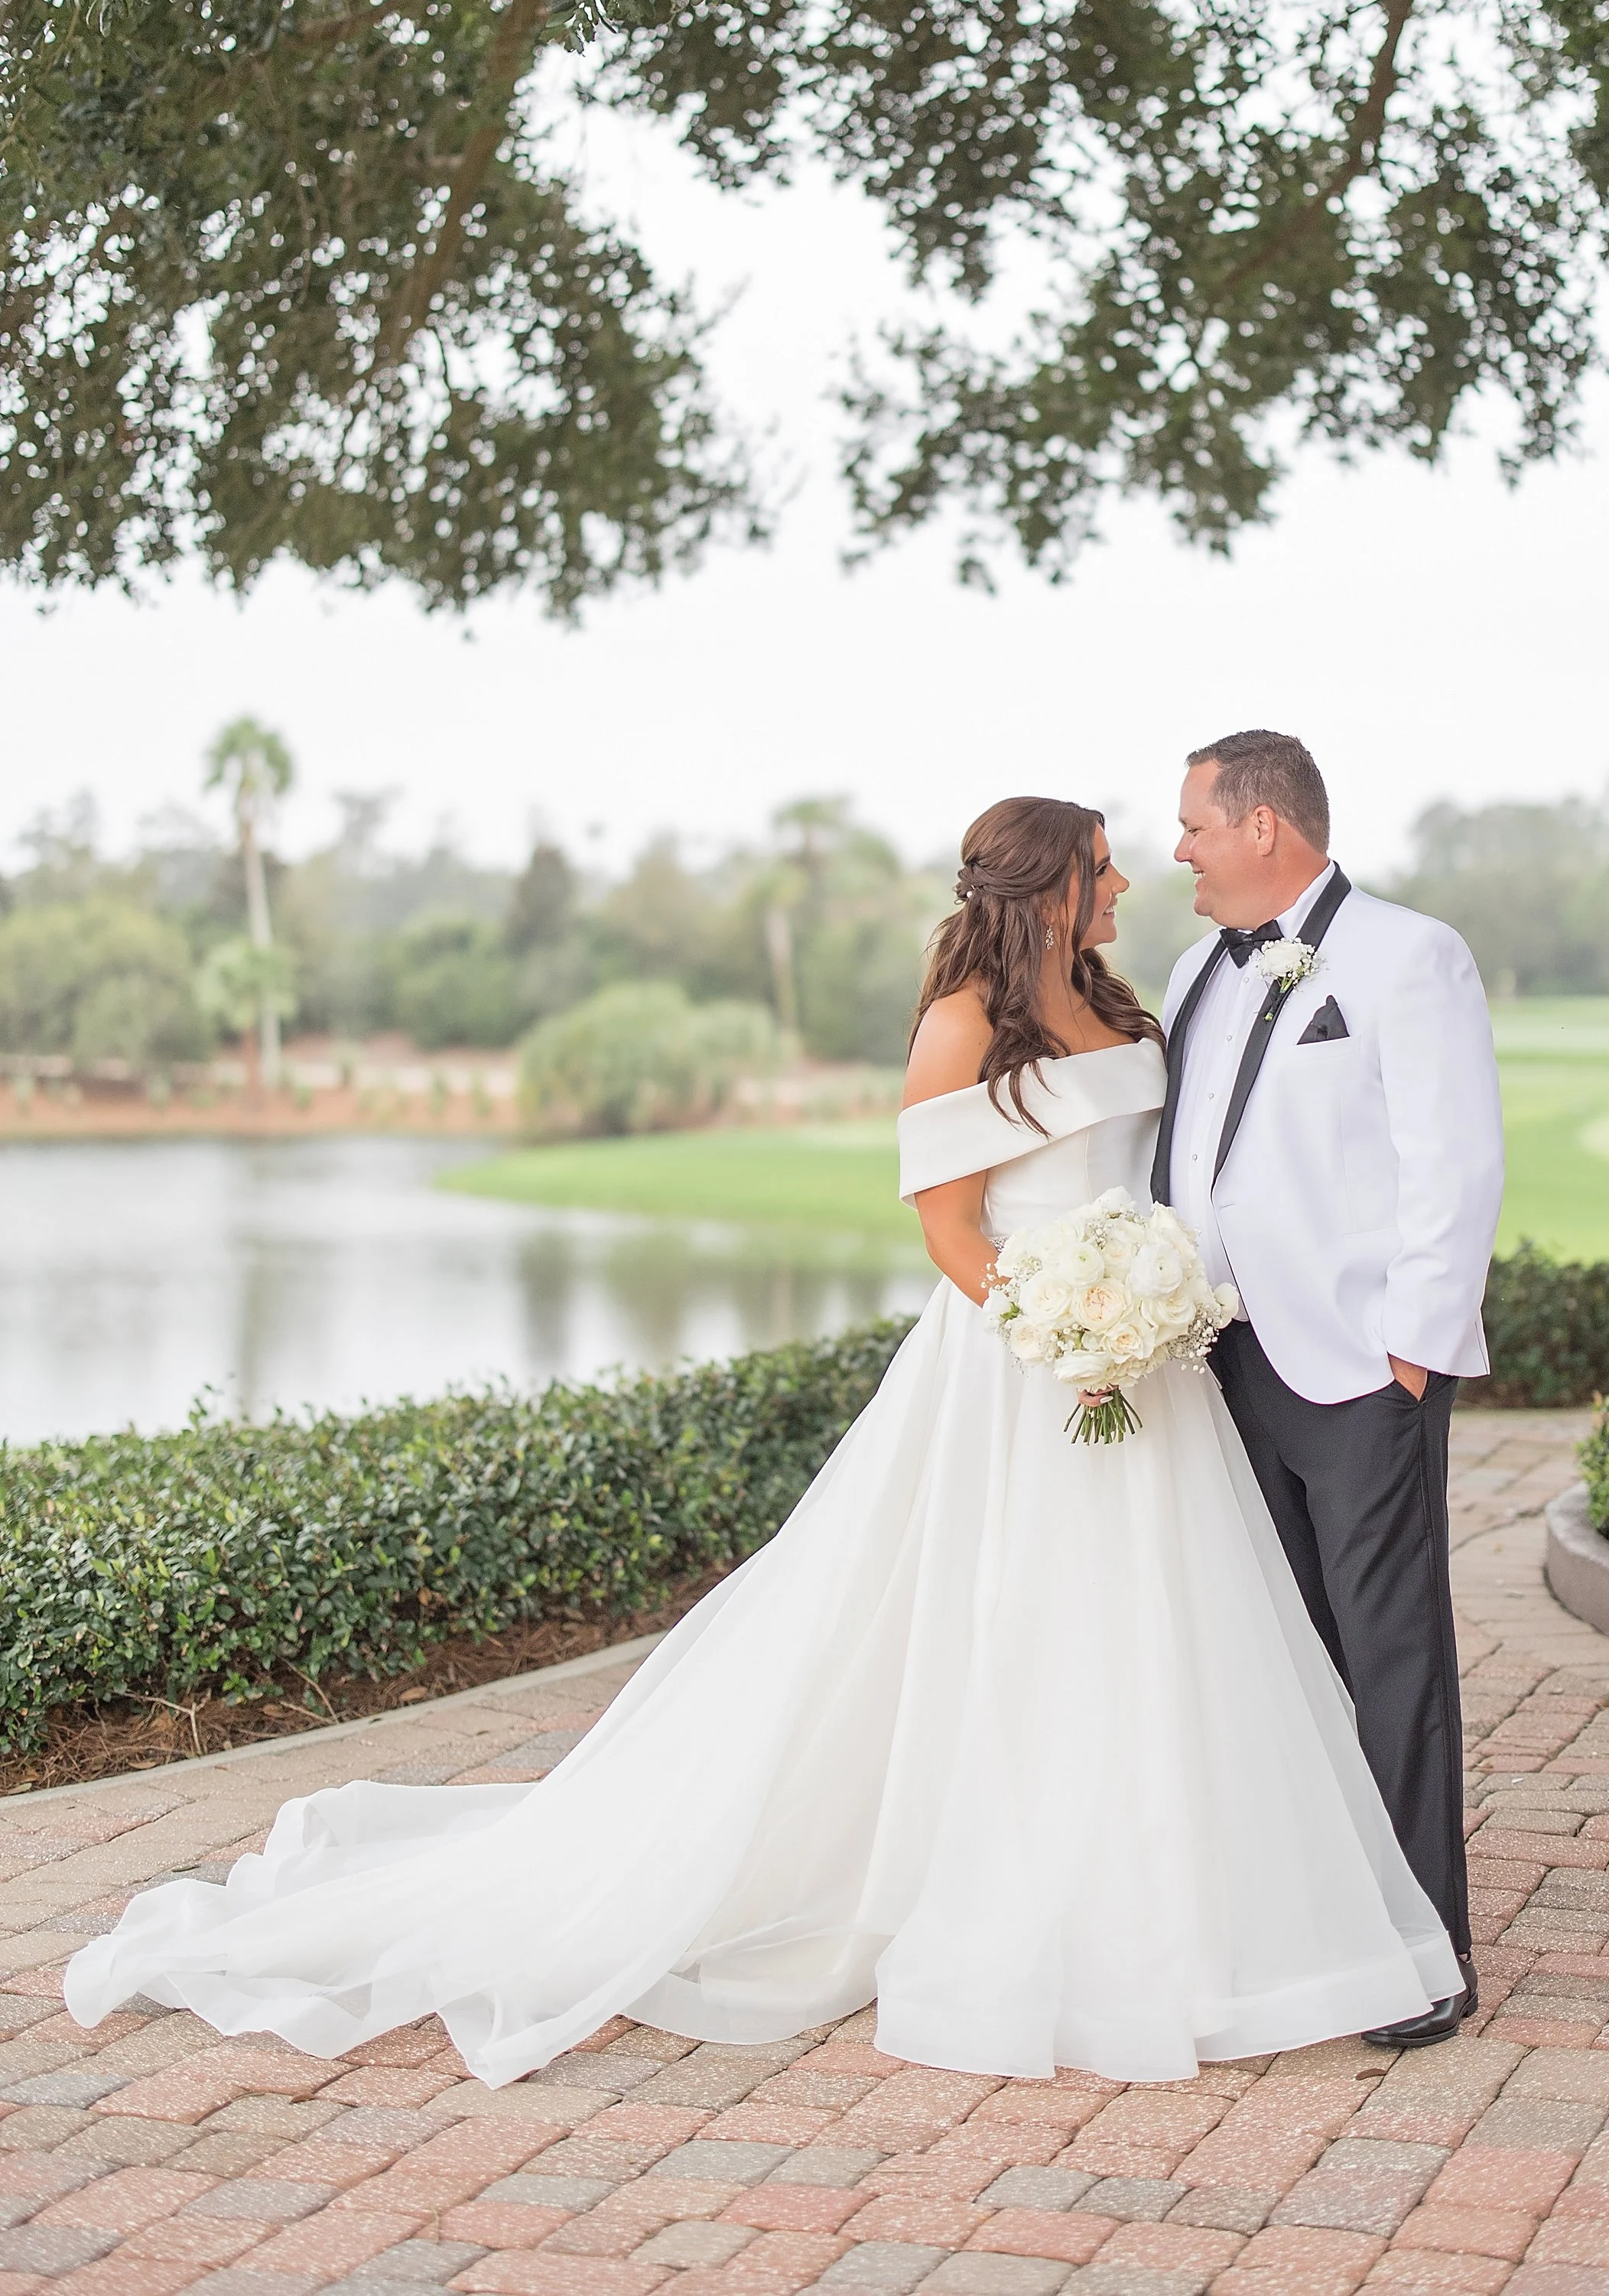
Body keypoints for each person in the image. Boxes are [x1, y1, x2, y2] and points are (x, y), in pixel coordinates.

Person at [66, 795, 1458, 2089]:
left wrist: (1136, 1325)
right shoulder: (964, 1022)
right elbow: (949, 1228)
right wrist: (1063, 1332)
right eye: (1104, 863)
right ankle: (1008, 1886)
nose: (1130, 878)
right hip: (1022, 1365)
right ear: (1050, 883)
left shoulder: (1123, 996)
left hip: (1148, 1374)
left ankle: (1172, 1887)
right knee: (1006, 1621)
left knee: (1155, 1634)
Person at [1157, 732, 1505, 2047]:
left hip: (1357, 1364)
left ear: (1263, 825)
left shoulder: (1410, 955)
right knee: (1283, 1649)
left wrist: (1409, 1348)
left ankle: (1423, 1954)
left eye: (1194, 823)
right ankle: (1316, 1926)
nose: (1179, 847)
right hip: (1223, 1358)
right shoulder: (1196, 967)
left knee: (1389, 1650)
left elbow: (1455, 1161)